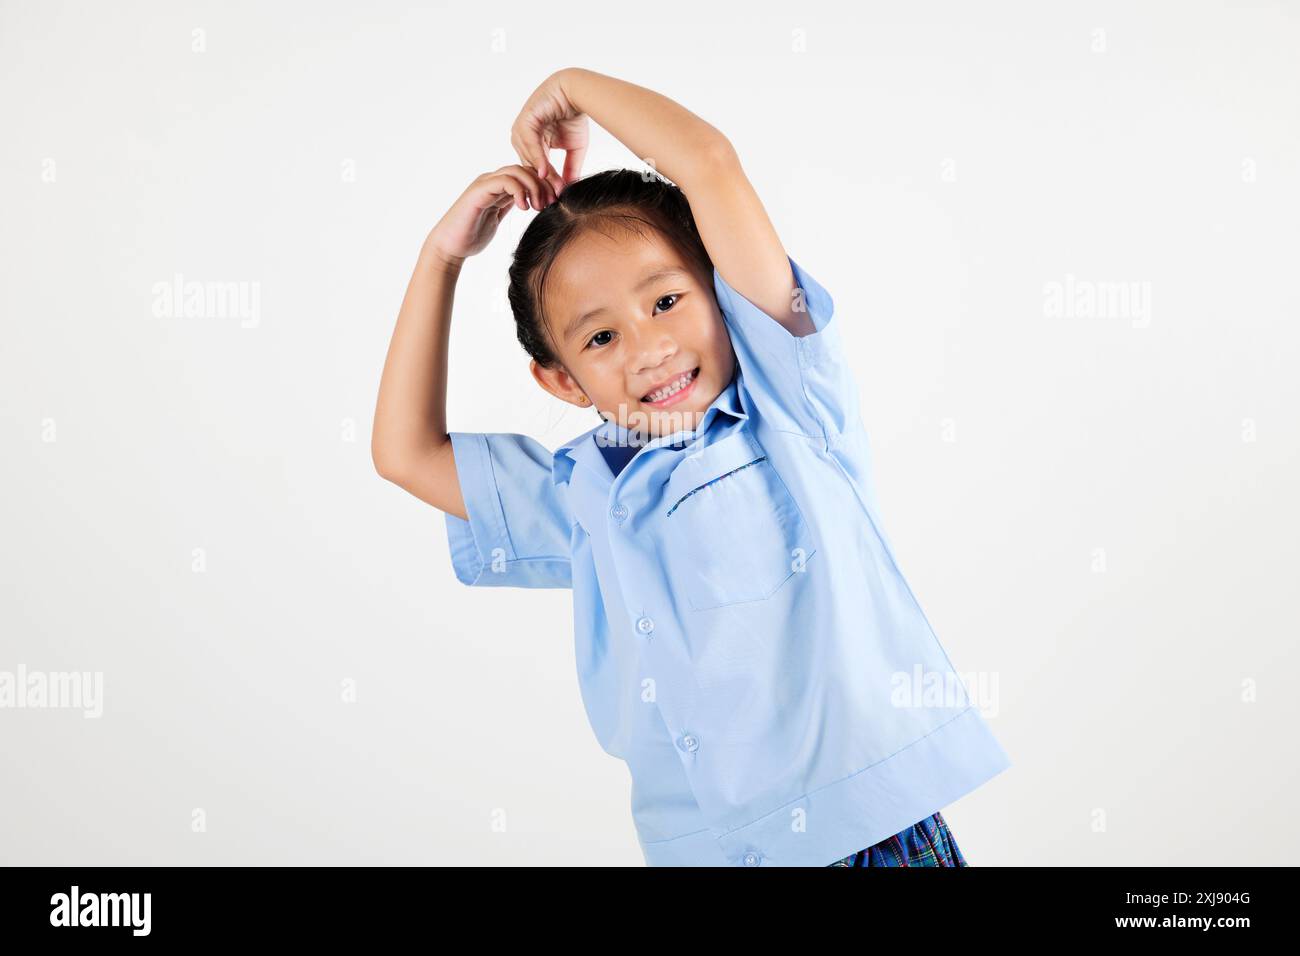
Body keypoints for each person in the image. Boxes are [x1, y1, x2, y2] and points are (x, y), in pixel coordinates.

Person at [372, 67, 1010, 866]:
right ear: (563, 381)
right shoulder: (586, 491)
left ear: (719, 286)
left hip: (861, 836)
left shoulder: (789, 402)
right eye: (600, 338)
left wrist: (572, 90)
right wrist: (441, 258)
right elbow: (405, 454)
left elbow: (708, 162)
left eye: (666, 300)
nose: (650, 348)